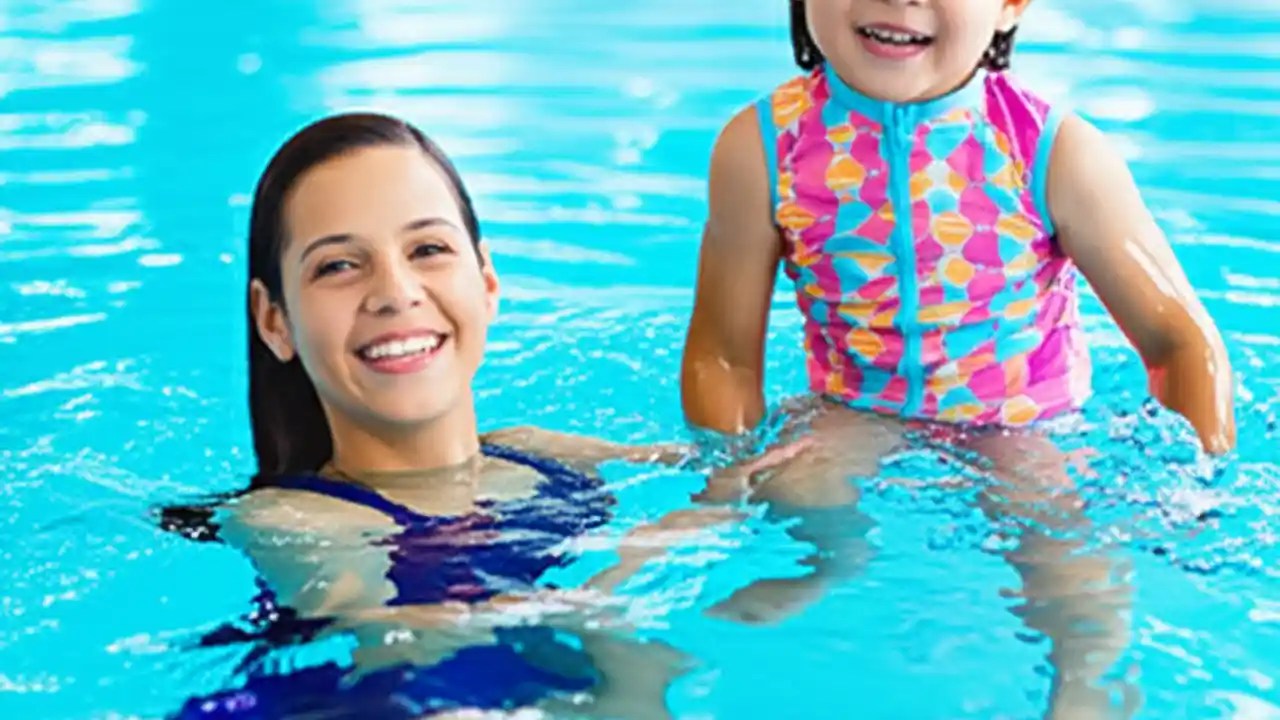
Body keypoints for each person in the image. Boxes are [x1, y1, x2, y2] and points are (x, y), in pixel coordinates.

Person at [679, 0, 1235, 716]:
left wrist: (1195, 484)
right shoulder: (763, 148)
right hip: (855, 408)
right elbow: (725, 357)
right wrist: (724, 472)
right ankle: (827, 565)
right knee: (799, 489)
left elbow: (1179, 341)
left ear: (1009, 6)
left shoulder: (1049, 151)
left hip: (1020, 421)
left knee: (1059, 545)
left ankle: (1087, 683)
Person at [161, 111, 697, 720]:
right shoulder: (295, 516)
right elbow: (393, 633)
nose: (395, 292)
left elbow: (730, 478)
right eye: (338, 265)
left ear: (487, 280)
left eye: (428, 249)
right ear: (273, 320)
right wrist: (626, 572)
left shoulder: (539, 454)